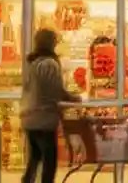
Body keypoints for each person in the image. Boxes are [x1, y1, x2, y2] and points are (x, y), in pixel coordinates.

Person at [20, 29, 80, 183]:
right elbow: (54, 90)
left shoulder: (32, 63)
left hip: (29, 117)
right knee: (49, 159)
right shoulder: (49, 64)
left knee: (35, 157)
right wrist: (73, 98)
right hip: (44, 118)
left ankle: (27, 180)